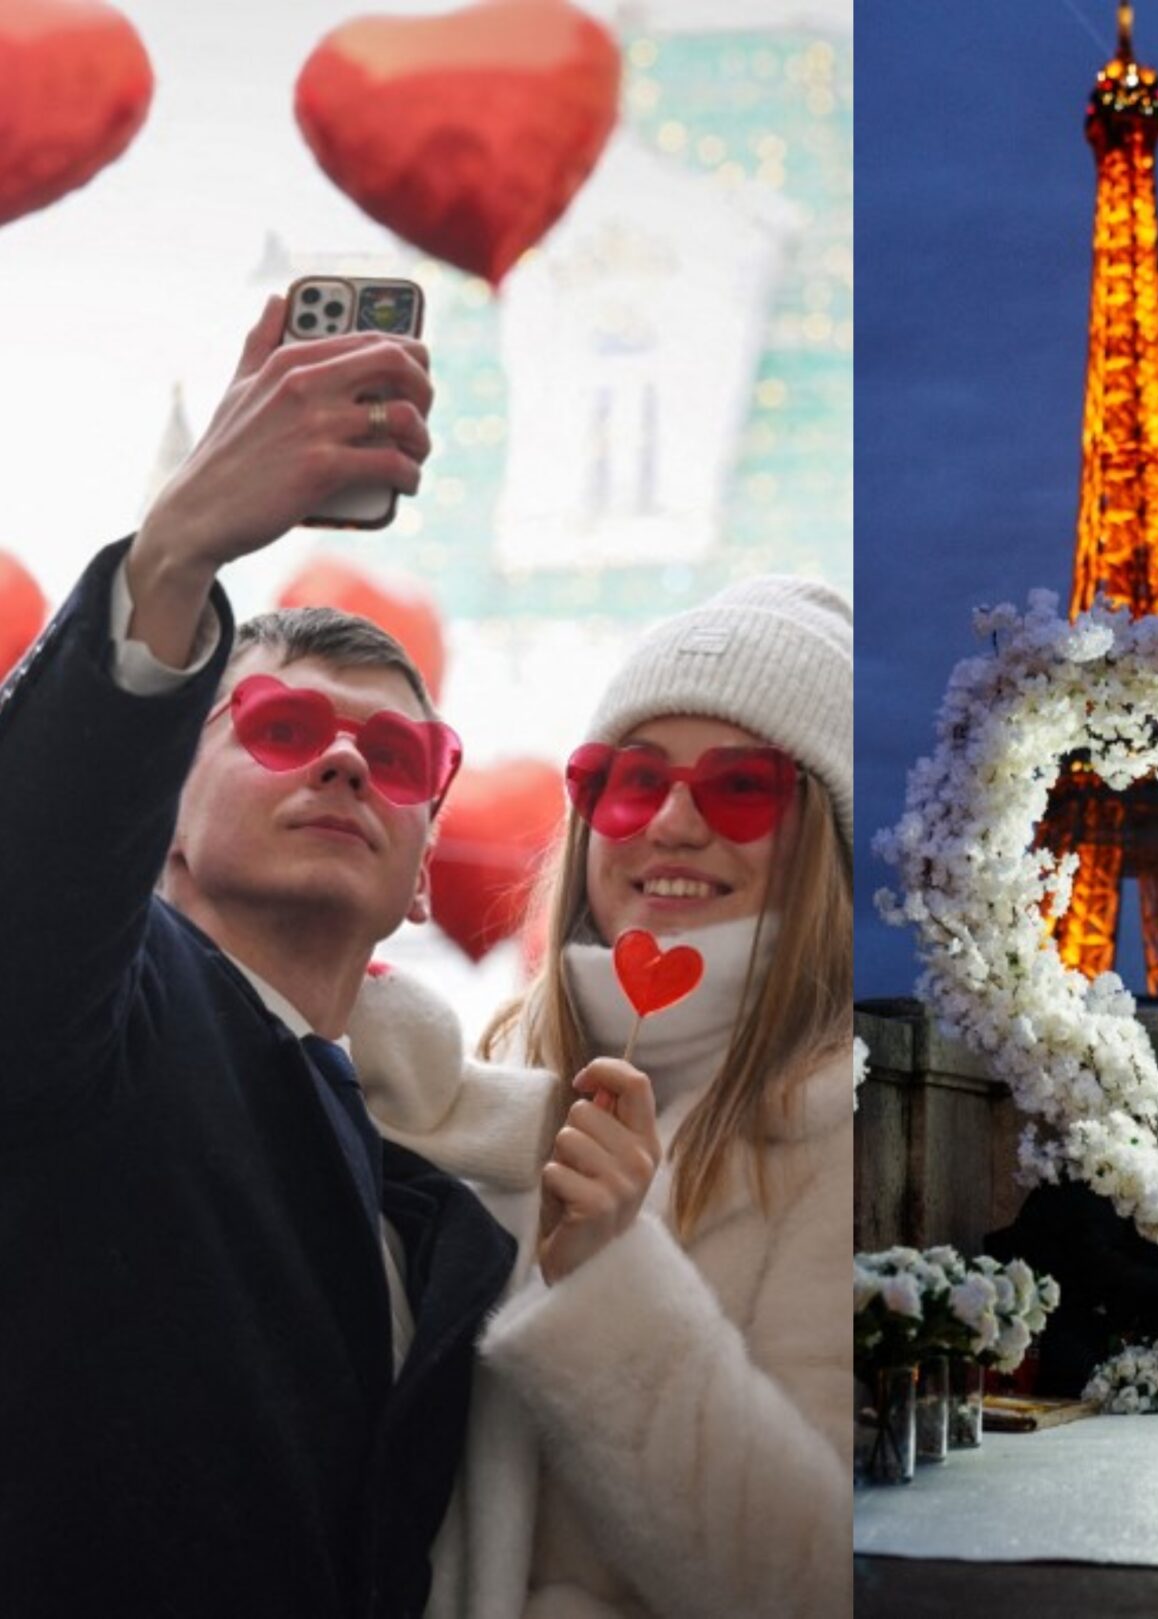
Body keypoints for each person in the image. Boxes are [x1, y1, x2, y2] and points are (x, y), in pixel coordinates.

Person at [0, 297, 522, 1611]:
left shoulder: (438, 1192)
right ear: (162, 805)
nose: (345, 756)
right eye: (281, 725)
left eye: (396, 756)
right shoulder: (94, 1014)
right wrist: (175, 554)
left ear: (419, 877)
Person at [459, 578, 857, 1615]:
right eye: (632, 781)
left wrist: (609, 1279)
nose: (673, 822)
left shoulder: (840, 1128)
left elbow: (811, 1582)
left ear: (826, 838)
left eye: (741, 787)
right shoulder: (492, 1076)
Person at [984, 1181, 1158, 1398]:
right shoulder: (1075, 1185)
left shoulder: (1128, 1187)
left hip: (1101, 1320)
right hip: (1060, 1323)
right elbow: (1097, 1262)